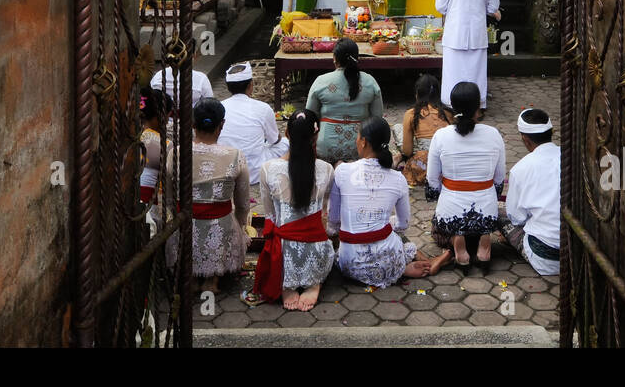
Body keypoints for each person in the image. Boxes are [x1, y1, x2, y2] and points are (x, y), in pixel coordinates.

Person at [328, 118, 449, 286]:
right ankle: (404, 268)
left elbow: (333, 222)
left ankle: (404, 268)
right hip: (388, 261)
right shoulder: (398, 179)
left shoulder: (342, 171)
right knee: (390, 227)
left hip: (349, 264)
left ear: (363, 142)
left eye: (357, 137)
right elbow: (403, 224)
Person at [254, 110, 335, 311]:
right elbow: (324, 212)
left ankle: (288, 283)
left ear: (287, 134)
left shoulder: (267, 168)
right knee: (322, 239)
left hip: (284, 253)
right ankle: (314, 281)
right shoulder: (327, 169)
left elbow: (271, 215)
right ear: (316, 135)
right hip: (317, 248)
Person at [167, 97, 250, 292]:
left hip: (185, 225)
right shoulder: (235, 155)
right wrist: (241, 226)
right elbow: (243, 204)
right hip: (220, 226)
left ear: (193, 124)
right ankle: (212, 279)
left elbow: (170, 199)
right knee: (228, 221)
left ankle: (191, 276)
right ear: (221, 125)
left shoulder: (176, 153)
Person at [426, 81, 506, 266]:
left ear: (452, 107)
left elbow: (431, 179)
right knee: (482, 216)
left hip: (451, 212)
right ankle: (485, 242)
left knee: (437, 230)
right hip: (487, 213)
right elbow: (499, 178)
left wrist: (442, 194)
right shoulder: (494, 134)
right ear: (478, 106)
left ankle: (457, 242)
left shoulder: (441, 136)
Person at [434, 0, 501, 108]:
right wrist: (480, 8)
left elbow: (440, 6)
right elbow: (493, 7)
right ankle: (477, 104)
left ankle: (451, 103)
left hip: (454, 34)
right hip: (477, 35)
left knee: (453, 72)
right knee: (476, 72)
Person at [305, 37, 384, 165]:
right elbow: (377, 118)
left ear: (335, 58)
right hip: (361, 149)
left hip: (326, 149)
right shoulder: (370, 82)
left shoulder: (321, 81)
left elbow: (309, 117)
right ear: (356, 58)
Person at [504, 107, 561, 276]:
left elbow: (516, 217)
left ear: (525, 138)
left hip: (545, 258)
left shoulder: (520, 169)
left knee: (499, 214)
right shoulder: (573, 155)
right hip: (577, 254)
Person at [218, 62, 287, 186]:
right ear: (251, 85)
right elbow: (275, 140)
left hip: (225, 169)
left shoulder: (219, 106)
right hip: (254, 173)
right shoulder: (263, 108)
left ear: (228, 87)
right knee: (285, 143)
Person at [395, 74, 452, 187]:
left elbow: (407, 151)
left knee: (397, 128)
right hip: (446, 165)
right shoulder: (448, 113)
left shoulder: (411, 114)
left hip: (423, 165)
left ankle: (399, 158)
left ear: (417, 94)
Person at [138, 88, 174, 206]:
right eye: (168, 117)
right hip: (149, 205)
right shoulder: (165, 145)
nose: (168, 122)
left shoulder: (126, 136)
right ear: (161, 115)